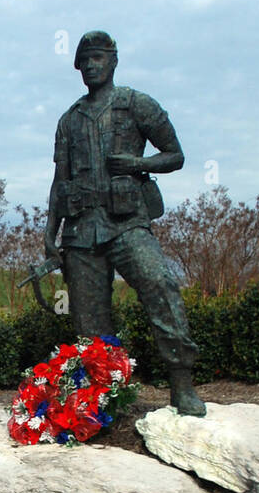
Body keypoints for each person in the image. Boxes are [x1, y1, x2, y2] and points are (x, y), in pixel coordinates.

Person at [44, 29, 206, 416]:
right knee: (88, 321)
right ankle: (101, 401)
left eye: (98, 58)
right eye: (84, 61)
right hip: (82, 231)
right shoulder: (69, 120)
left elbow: (175, 155)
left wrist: (139, 165)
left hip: (127, 221)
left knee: (160, 284)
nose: (91, 66)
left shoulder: (137, 105)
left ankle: (182, 384)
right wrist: (50, 234)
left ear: (113, 62)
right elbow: (59, 182)